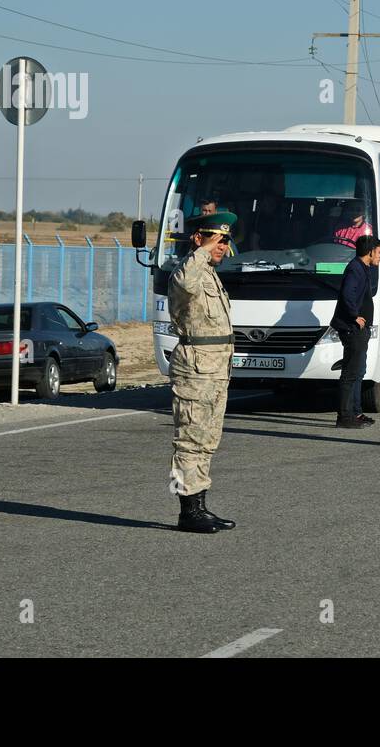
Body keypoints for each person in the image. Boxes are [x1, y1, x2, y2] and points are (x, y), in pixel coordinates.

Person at [167, 210, 238, 534]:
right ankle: (185, 509)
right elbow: (184, 283)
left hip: (215, 369)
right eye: (217, 239)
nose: (222, 246)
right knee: (189, 440)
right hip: (195, 369)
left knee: (207, 440)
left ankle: (200, 506)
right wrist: (202, 250)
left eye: (226, 241)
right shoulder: (188, 271)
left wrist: (208, 252)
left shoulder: (210, 274)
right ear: (198, 239)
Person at [331, 235, 380, 428]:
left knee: (359, 371)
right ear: (369, 251)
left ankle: (356, 412)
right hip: (353, 329)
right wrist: (355, 315)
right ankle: (345, 417)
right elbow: (347, 294)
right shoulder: (355, 268)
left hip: (360, 330)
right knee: (350, 374)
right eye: (379, 253)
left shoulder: (363, 269)